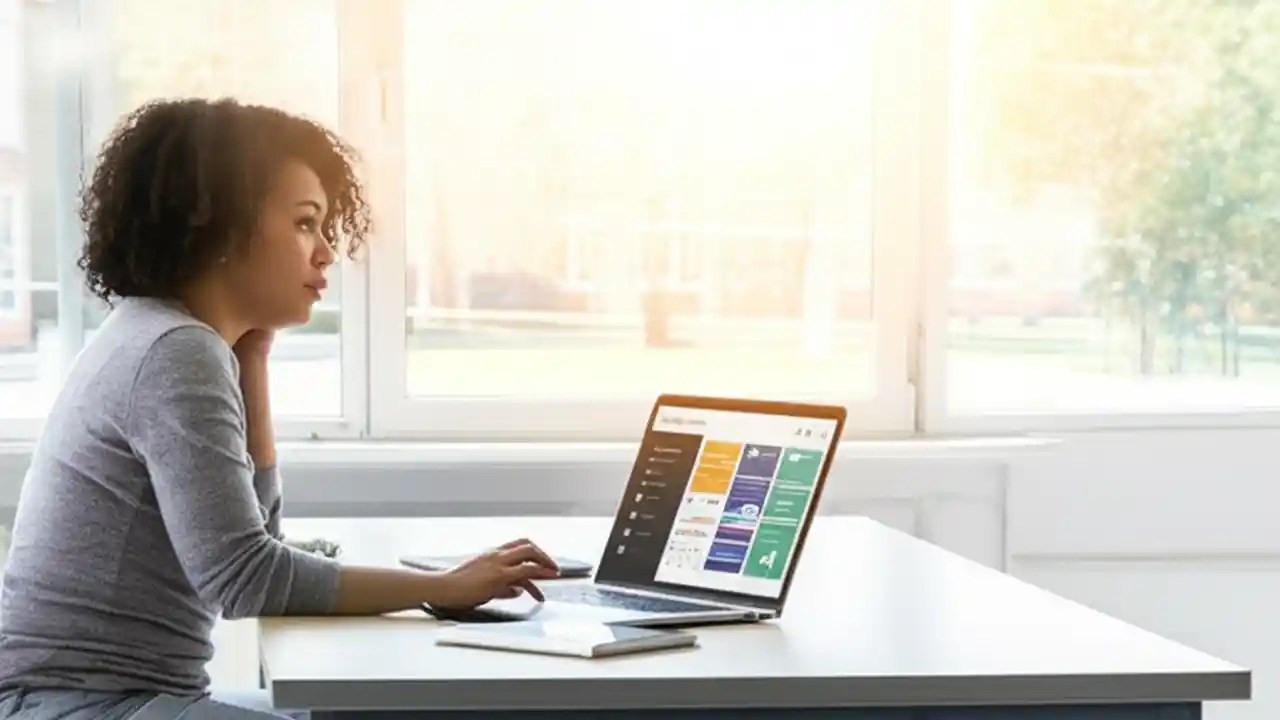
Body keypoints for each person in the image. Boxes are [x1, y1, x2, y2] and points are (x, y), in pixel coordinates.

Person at [0, 98, 559, 719]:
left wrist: (255, 354)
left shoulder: (169, 336)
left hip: (104, 699)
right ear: (216, 224)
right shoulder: (174, 351)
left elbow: (258, 541)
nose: (325, 251)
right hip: (75, 706)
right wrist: (444, 587)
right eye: (303, 223)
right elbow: (247, 579)